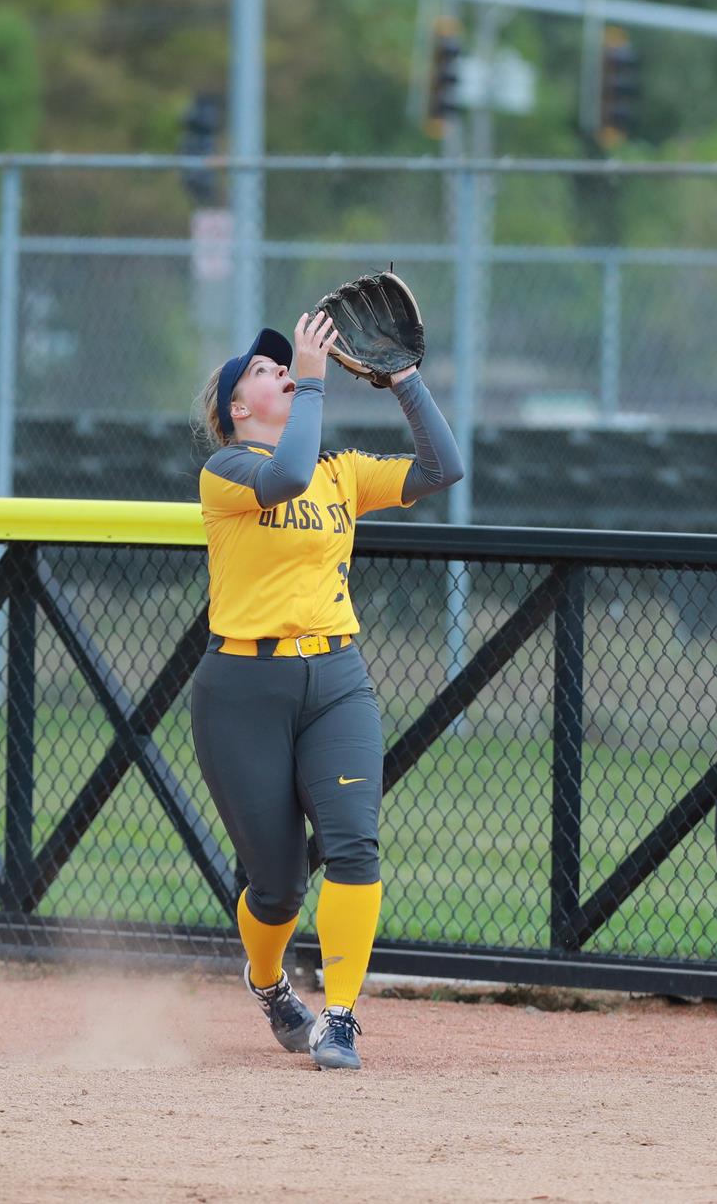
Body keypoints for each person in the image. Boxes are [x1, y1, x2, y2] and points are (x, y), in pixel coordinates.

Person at [191, 308, 464, 1070]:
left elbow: (442, 468)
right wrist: (311, 382)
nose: (281, 369)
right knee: (275, 886)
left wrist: (405, 381)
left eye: (285, 365)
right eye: (261, 370)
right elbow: (282, 476)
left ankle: (339, 1016)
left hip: (336, 679)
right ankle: (270, 980)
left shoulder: (340, 471)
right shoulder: (228, 472)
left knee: (353, 843)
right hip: (242, 688)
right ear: (237, 409)